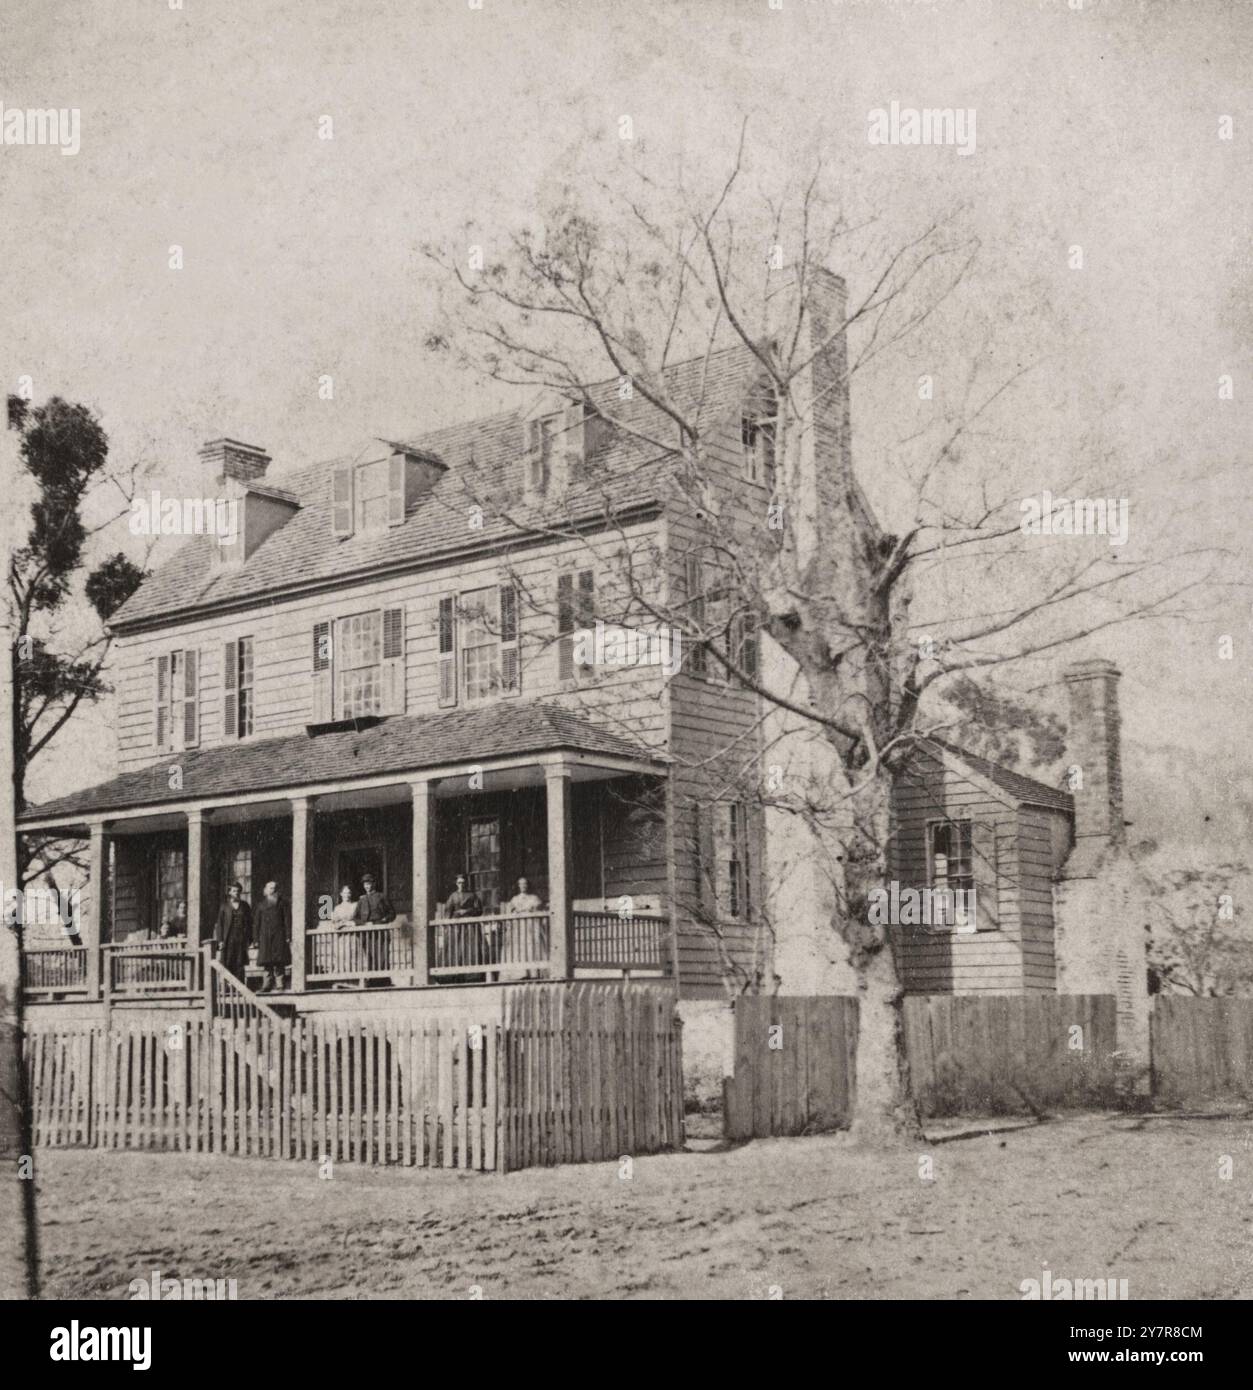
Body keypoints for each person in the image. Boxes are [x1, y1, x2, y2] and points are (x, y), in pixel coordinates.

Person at [441, 873, 485, 974]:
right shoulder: (453, 896)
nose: (462, 885)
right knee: (455, 947)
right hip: (456, 925)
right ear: (457, 884)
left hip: (470, 926)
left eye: (463, 883)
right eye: (459, 883)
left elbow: (479, 910)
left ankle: (473, 972)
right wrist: (448, 923)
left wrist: (467, 911)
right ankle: (453, 972)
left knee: (470, 947)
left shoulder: (472, 895)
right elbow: (448, 911)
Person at [253, 880, 291, 993]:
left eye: (274, 888)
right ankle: (267, 985)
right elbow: (256, 924)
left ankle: (280, 985)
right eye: (270, 888)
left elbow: (287, 920)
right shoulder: (261, 905)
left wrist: (288, 935)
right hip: (265, 937)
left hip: (279, 935)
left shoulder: (283, 903)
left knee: (279, 961)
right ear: (266, 890)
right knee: (267, 962)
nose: (272, 890)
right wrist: (255, 939)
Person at [355, 873, 395, 972]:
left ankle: (384, 981)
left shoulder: (381, 896)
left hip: (380, 932)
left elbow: (392, 913)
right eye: (365, 884)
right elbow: (355, 918)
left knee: (382, 956)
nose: (367, 886)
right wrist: (364, 924)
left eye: (369, 884)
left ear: (374, 884)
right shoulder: (362, 900)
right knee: (370, 956)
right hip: (367, 934)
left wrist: (384, 920)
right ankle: (372, 981)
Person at [213, 882, 252, 981]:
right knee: (228, 961)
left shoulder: (245, 906)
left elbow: (250, 923)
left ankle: (239, 986)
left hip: (241, 938)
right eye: (234, 891)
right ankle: (228, 986)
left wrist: (249, 939)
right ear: (230, 892)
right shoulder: (224, 906)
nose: (236, 893)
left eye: (238, 891)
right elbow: (220, 925)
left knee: (240, 962)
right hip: (228, 938)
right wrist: (220, 940)